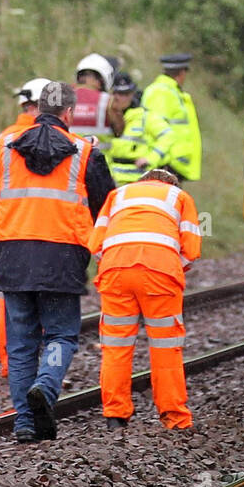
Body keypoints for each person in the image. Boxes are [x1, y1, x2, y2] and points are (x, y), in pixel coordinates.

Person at [0, 81, 115, 442]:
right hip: (63, 255)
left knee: (20, 343)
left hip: (12, 255)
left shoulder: (2, 147)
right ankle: (46, 386)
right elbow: (106, 203)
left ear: (35, 109)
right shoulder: (85, 152)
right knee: (61, 334)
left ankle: (24, 424)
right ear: (69, 113)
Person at [88, 168, 201, 430]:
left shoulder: (117, 195)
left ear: (143, 181)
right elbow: (192, 250)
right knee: (166, 347)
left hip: (115, 271)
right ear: (170, 184)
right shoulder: (180, 197)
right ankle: (174, 418)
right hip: (160, 273)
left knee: (115, 344)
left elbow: (95, 244)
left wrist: (114, 264)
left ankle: (115, 416)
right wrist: (173, 266)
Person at [0, 77, 50, 377]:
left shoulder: (2, 140)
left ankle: (12, 366)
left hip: (8, 239)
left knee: (12, 303)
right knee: (48, 303)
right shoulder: (63, 140)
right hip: (51, 238)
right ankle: (43, 369)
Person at [141, 53, 201, 182]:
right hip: (166, 164)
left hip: (171, 164)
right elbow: (157, 128)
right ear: (181, 73)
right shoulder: (162, 92)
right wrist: (154, 158)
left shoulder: (170, 91)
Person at [70, 52, 114, 139]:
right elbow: (119, 131)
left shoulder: (63, 98)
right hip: (99, 152)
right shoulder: (108, 100)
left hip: (69, 152)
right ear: (103, 78)